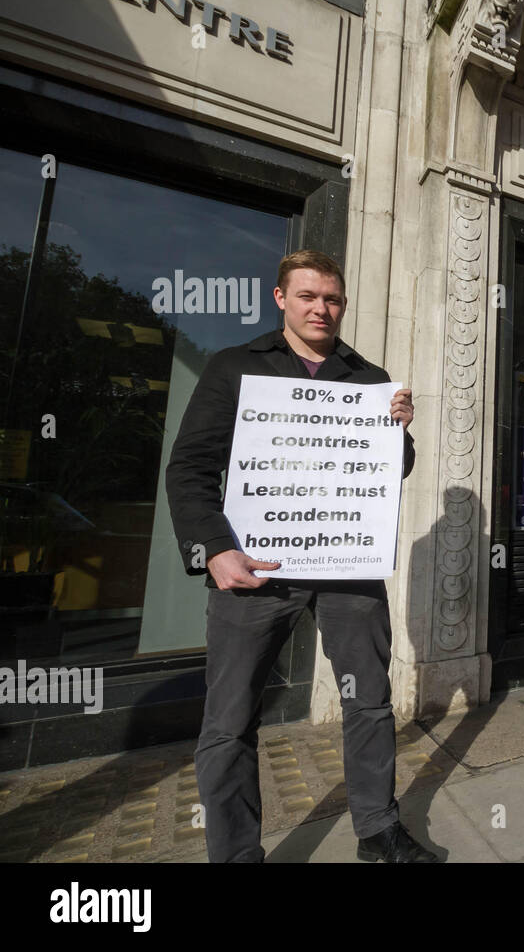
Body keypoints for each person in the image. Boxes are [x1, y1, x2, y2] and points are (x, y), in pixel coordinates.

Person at [166, 250, 433, 863]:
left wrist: (399, 432)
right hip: (255, 570)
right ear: (281, 299)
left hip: (347, 570)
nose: (322, 308)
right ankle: (235, 854)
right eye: (308, 296)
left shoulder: (368, 377)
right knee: (230, 718)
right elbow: (191, 468)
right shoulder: (236, 367)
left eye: (332, 298)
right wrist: (214, 551)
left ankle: (377, 829)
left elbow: (393, 470)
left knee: (368, 700)